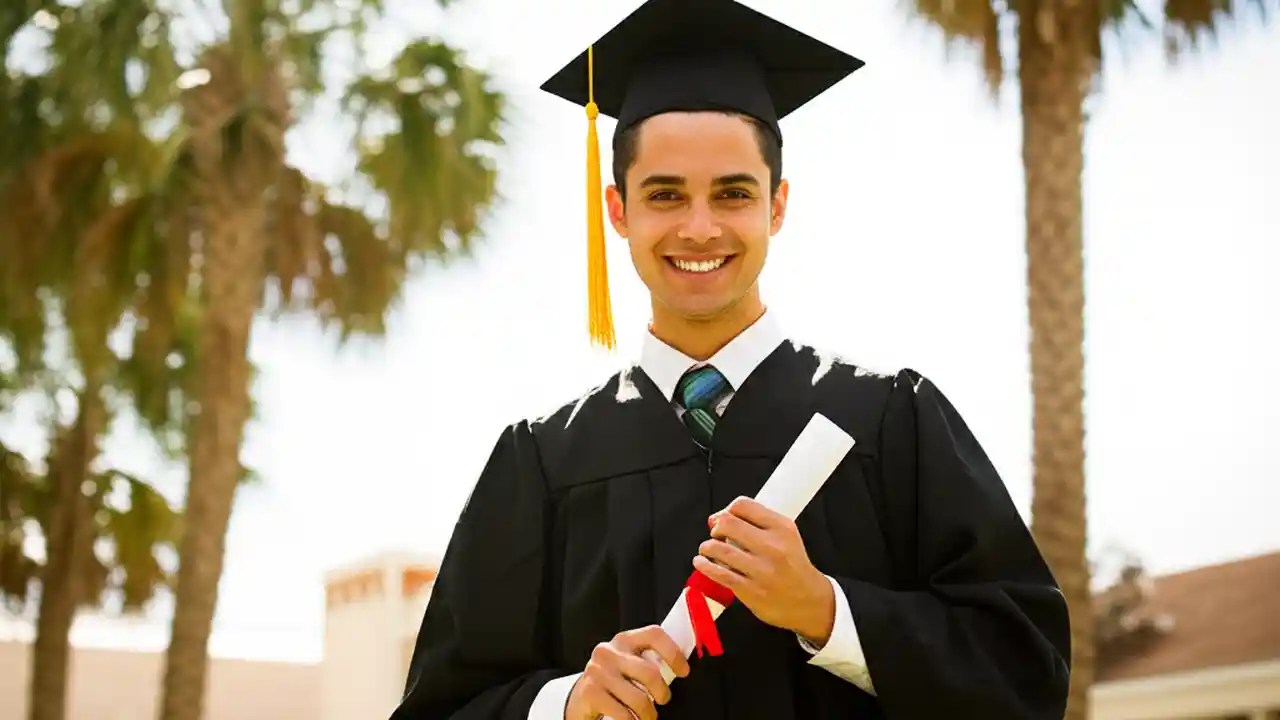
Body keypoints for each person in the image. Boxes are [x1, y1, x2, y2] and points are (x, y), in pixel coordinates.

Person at [390, 0, 1072, 718]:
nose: (699, 226)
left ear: (777, 206)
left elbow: (1026, 670)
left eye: (733, 193)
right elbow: (442, 706)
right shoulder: (545, 463)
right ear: (617, 211)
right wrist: (567, 704)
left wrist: (827, 612)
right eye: (665, 195)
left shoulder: (887, 422)